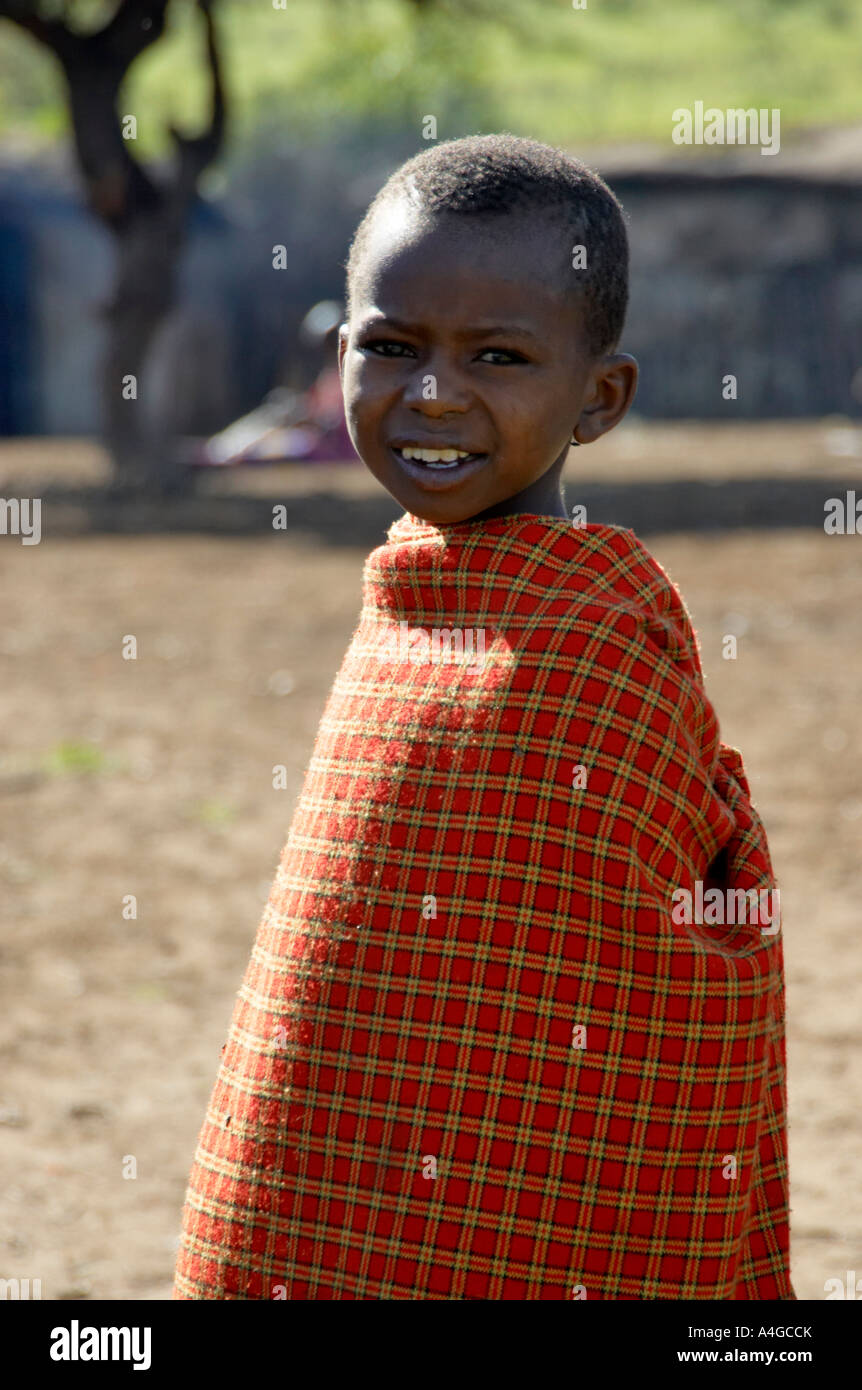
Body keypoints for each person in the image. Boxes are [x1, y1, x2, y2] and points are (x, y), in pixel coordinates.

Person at [173, 134, 793, 1300]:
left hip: (553, 1217)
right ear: (340, 350)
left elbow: (668, 960)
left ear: (598, 398)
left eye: (498, 356)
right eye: (391, 347)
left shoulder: (600, 641)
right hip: (336, 1194)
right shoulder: (402, 597)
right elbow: (351, 978)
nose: (432, 394)